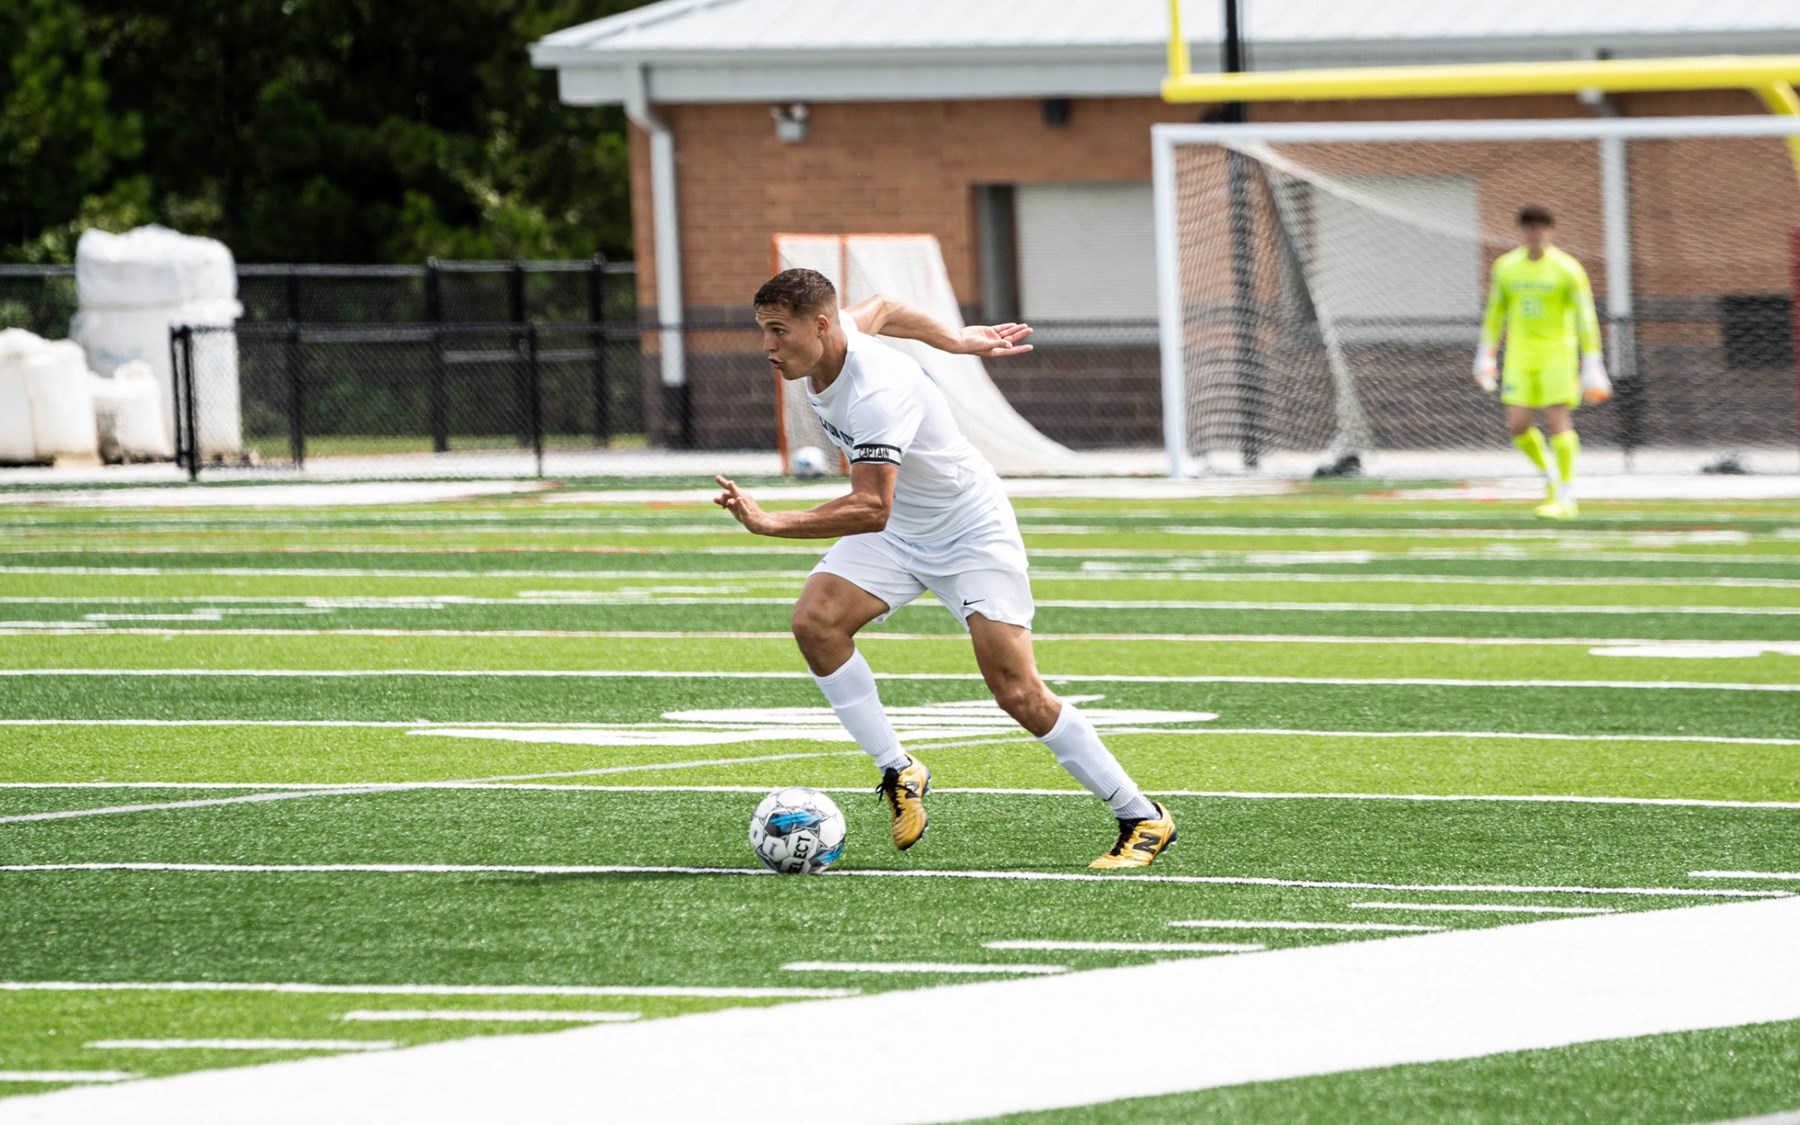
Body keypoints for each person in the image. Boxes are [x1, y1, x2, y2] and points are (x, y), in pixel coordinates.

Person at [714, 268, 1176, 869]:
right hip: (903, 530)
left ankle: (1142, 815)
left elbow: (870, 507)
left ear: (820, 326)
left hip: (968, 532)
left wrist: (772, 521)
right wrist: (954, 340)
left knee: (1017, 692)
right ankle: (899, 769)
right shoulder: (840, 336)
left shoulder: (877, 392)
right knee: (816, 623)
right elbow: (885, 306)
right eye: (763, 330)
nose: (768, 346)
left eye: (778, 331)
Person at [1475, 205, 1611, 520]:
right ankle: (1550, 475)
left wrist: (1592, 361)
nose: (1535, 232)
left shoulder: (1567, 269)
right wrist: (1485, 353)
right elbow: (1495, 312)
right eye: (1529, 227)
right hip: (1520, 356)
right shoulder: (1506, 267)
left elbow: (1585, 315)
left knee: (1556, 419)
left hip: (1557, 354)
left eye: (1540, 226)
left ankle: (1565, 495)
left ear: (1550, 230)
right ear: (1522, 230)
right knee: (1517, 424)